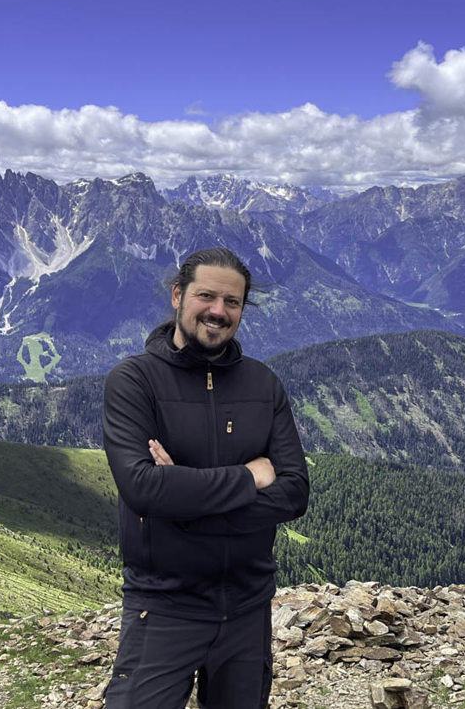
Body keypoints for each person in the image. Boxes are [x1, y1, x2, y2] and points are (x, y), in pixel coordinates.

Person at [101, 247, 310, 709]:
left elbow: (295, 492)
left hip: (247, 608)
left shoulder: (263, 384)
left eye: (232, 302)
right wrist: (249, 477)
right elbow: (142, 488)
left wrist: (185, 502)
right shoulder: (134, 382)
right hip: (164, 605)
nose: (218, 311)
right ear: (178, 296)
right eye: (206, 296)